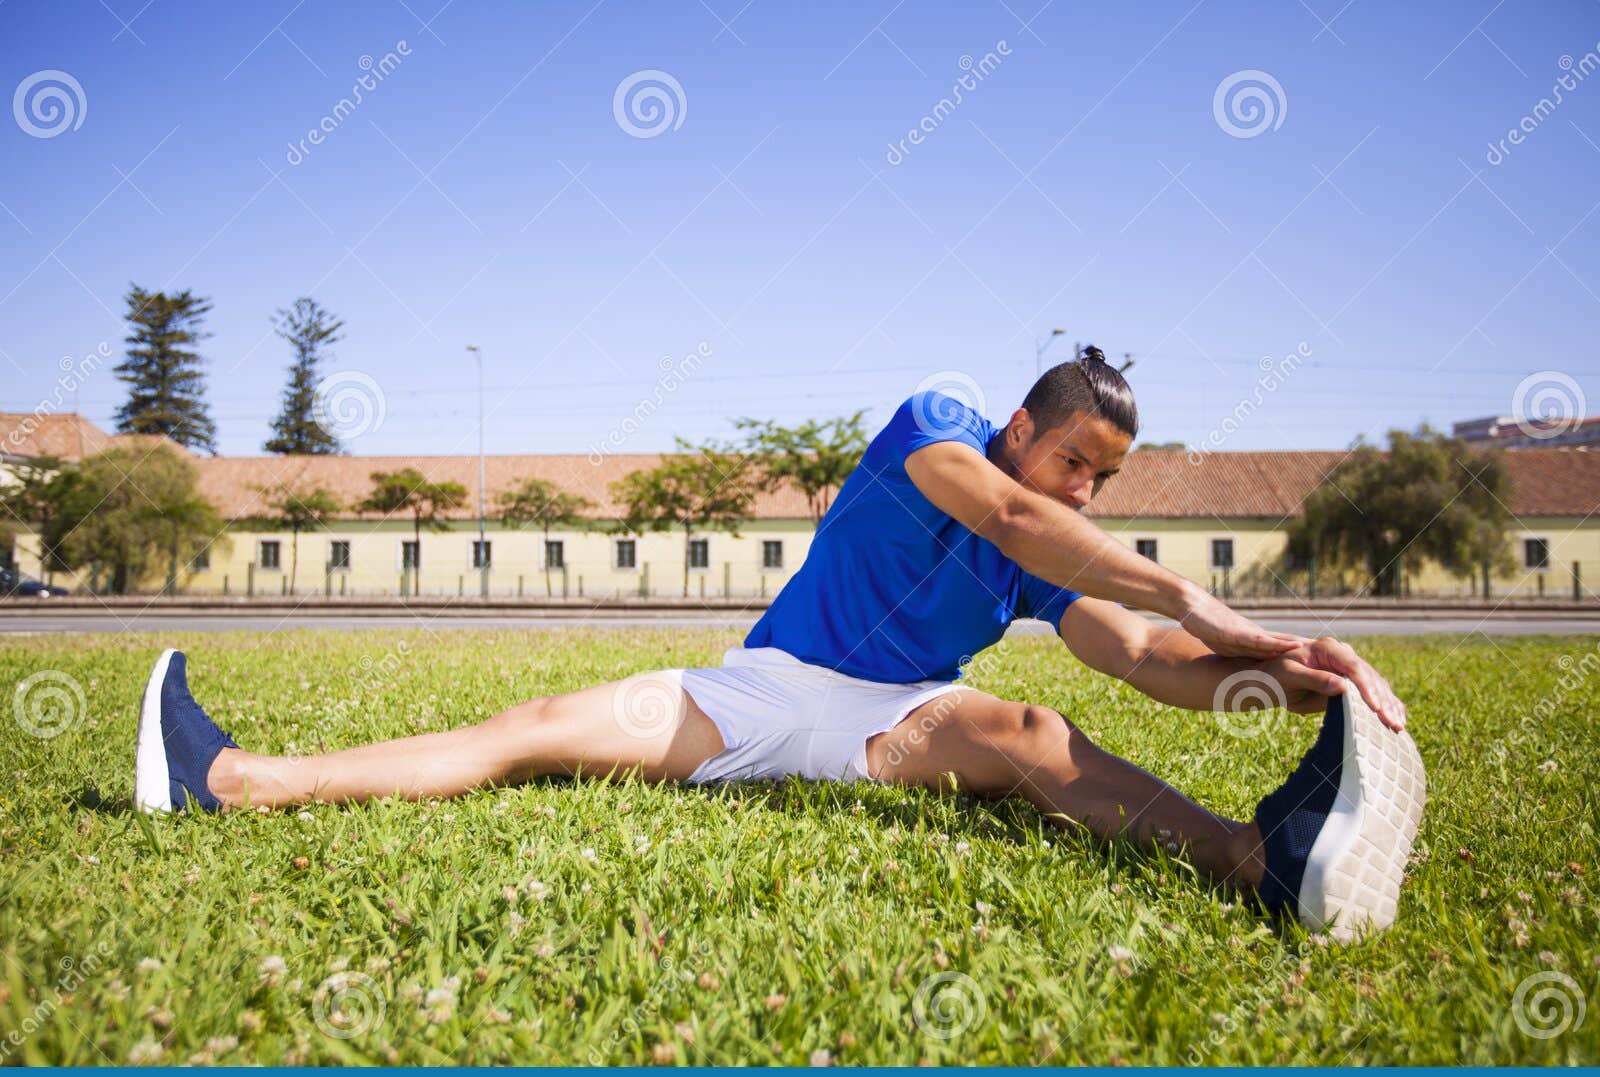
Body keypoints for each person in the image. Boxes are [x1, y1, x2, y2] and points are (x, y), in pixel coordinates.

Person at [133, 347, 1424, 942]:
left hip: (898, 718)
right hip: (763, 690)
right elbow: (1024, 519)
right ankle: (241, 776)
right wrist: (1212, 605)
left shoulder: (1042, 568)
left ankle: (1267, 860)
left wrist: (1284, 677)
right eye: (1076, 460)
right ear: (1022, 429)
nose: (1087, 492)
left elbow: (1145, 658)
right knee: (534, 734)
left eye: (1109, 478)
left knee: (1029, 731)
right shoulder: (939, 428)